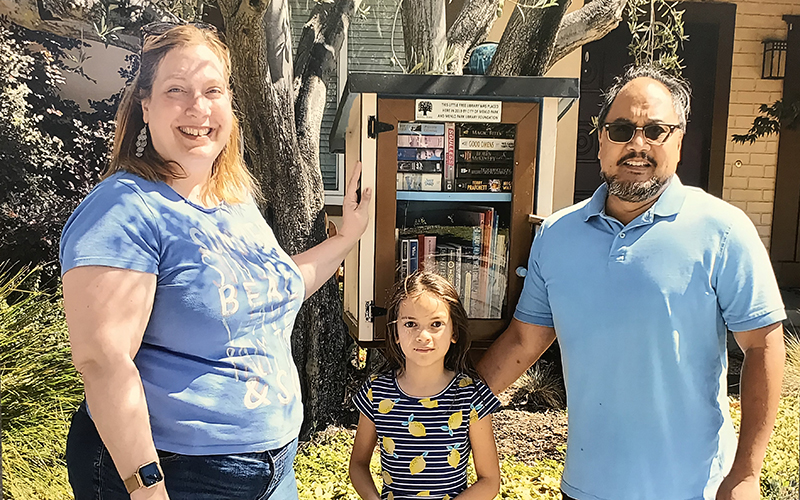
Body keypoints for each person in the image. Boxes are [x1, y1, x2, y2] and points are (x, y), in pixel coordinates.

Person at [60, 24, 371, 500]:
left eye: (212, 90)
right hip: (177, 471)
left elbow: (280, 285)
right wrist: (147, 489)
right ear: (145, 106)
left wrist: (348, 235)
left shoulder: (234, 201)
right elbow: (103, 361)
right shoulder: (123, 210)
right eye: (176, 90)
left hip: (273, 466)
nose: (198, 108)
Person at [478, 64, 786, 500]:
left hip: (693, 490)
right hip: (586, 487)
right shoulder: (557, 234)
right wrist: (450, 404)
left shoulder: (723, 230)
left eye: (655, 130)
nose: (637, 144)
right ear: (602, 140)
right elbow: (525, 339)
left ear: (679, 141)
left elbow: (763, 345)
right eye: (621, 129)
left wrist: (746, 474)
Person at [349, 272, 501, 500]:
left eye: (436, 324)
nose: (423, 335)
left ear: (454, 332)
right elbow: (358, 464)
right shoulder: (376, 391)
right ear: (395, 332)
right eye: (410, 324)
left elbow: (489, 480)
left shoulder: (470, 395)